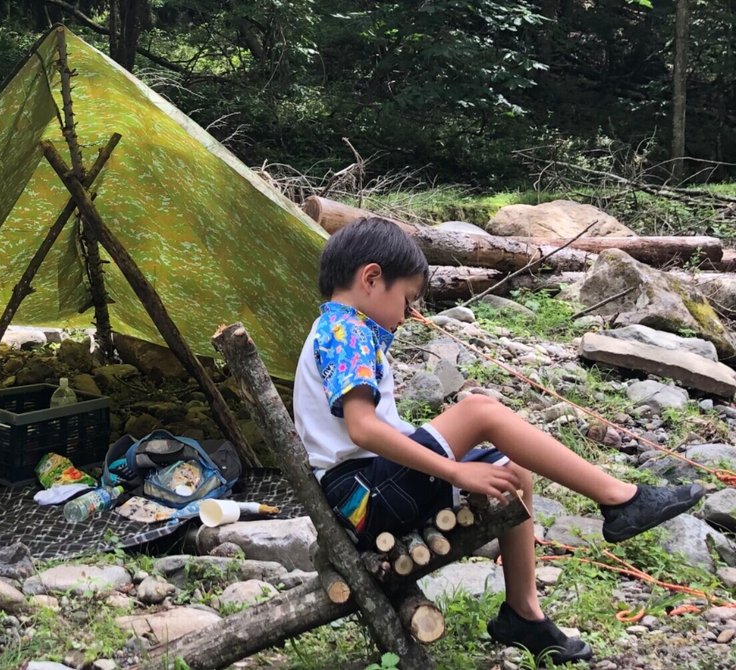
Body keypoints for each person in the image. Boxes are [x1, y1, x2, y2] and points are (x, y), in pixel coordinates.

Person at [293, 217, 705, 664]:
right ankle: (620, 499)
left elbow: (369, 429)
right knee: (479, 411)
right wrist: (454, 469)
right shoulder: (344, 331)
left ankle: (524, 614)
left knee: (512, 474)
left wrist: (456, 459)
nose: (408, 316)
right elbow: (363, 429)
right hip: (363, 496)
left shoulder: (344, 331)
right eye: (407, 300)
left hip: (369, 492)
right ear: (372, 278)